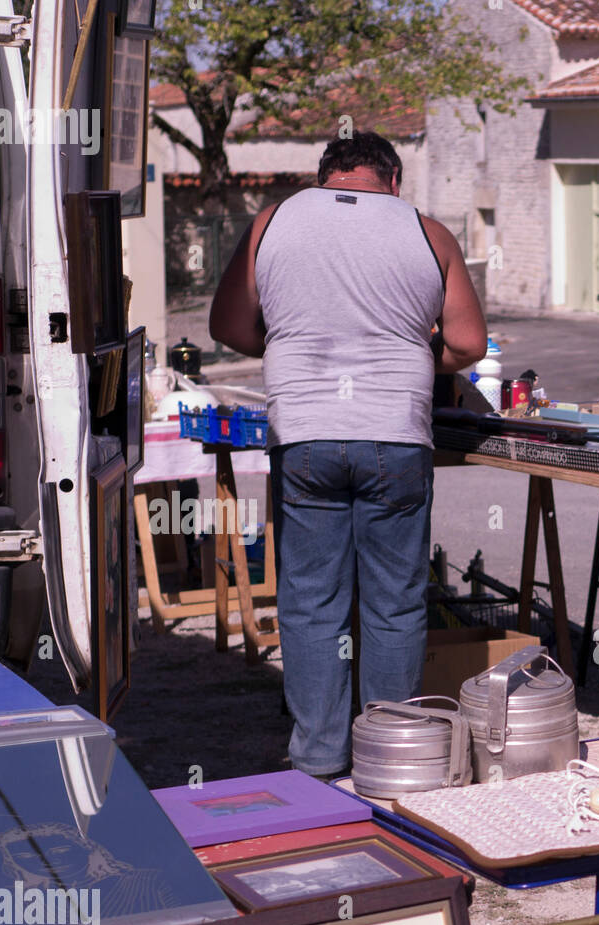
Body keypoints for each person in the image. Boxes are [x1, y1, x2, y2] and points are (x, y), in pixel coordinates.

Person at [210, 130, 486, 776]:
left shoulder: (272, 222)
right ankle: (388, 755)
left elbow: (228, 327)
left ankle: (316, 757)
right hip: (395, 435)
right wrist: (414, 354)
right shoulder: (427, 231)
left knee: (311, 602)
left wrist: (293, 344)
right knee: (393, 602)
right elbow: (469, 343)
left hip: (305, 435)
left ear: (325, 176)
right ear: (392, 181)